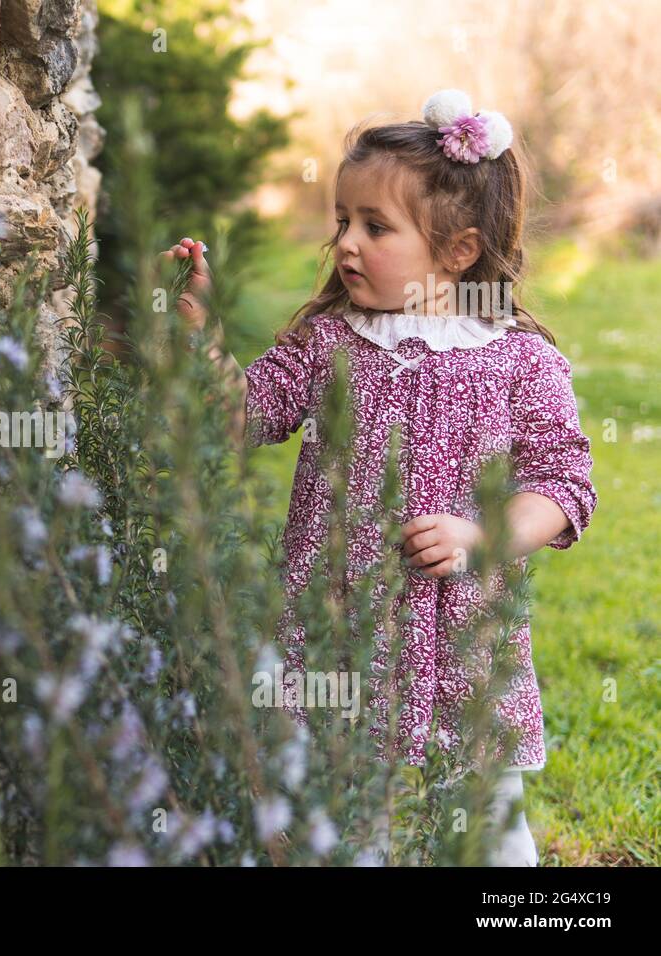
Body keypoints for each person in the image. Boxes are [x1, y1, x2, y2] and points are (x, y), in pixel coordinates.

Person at [164, 90, 599, 866]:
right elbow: (246, 416)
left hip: (463, 649)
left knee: (486, 822)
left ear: (458, 250)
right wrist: (204, 341)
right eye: (342, 221)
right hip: (336, 636)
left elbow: (562, 485)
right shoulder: (327, 340)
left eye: (375, 226)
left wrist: (484, 533)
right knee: (347, 817)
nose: (346, 244)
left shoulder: (518, 359)